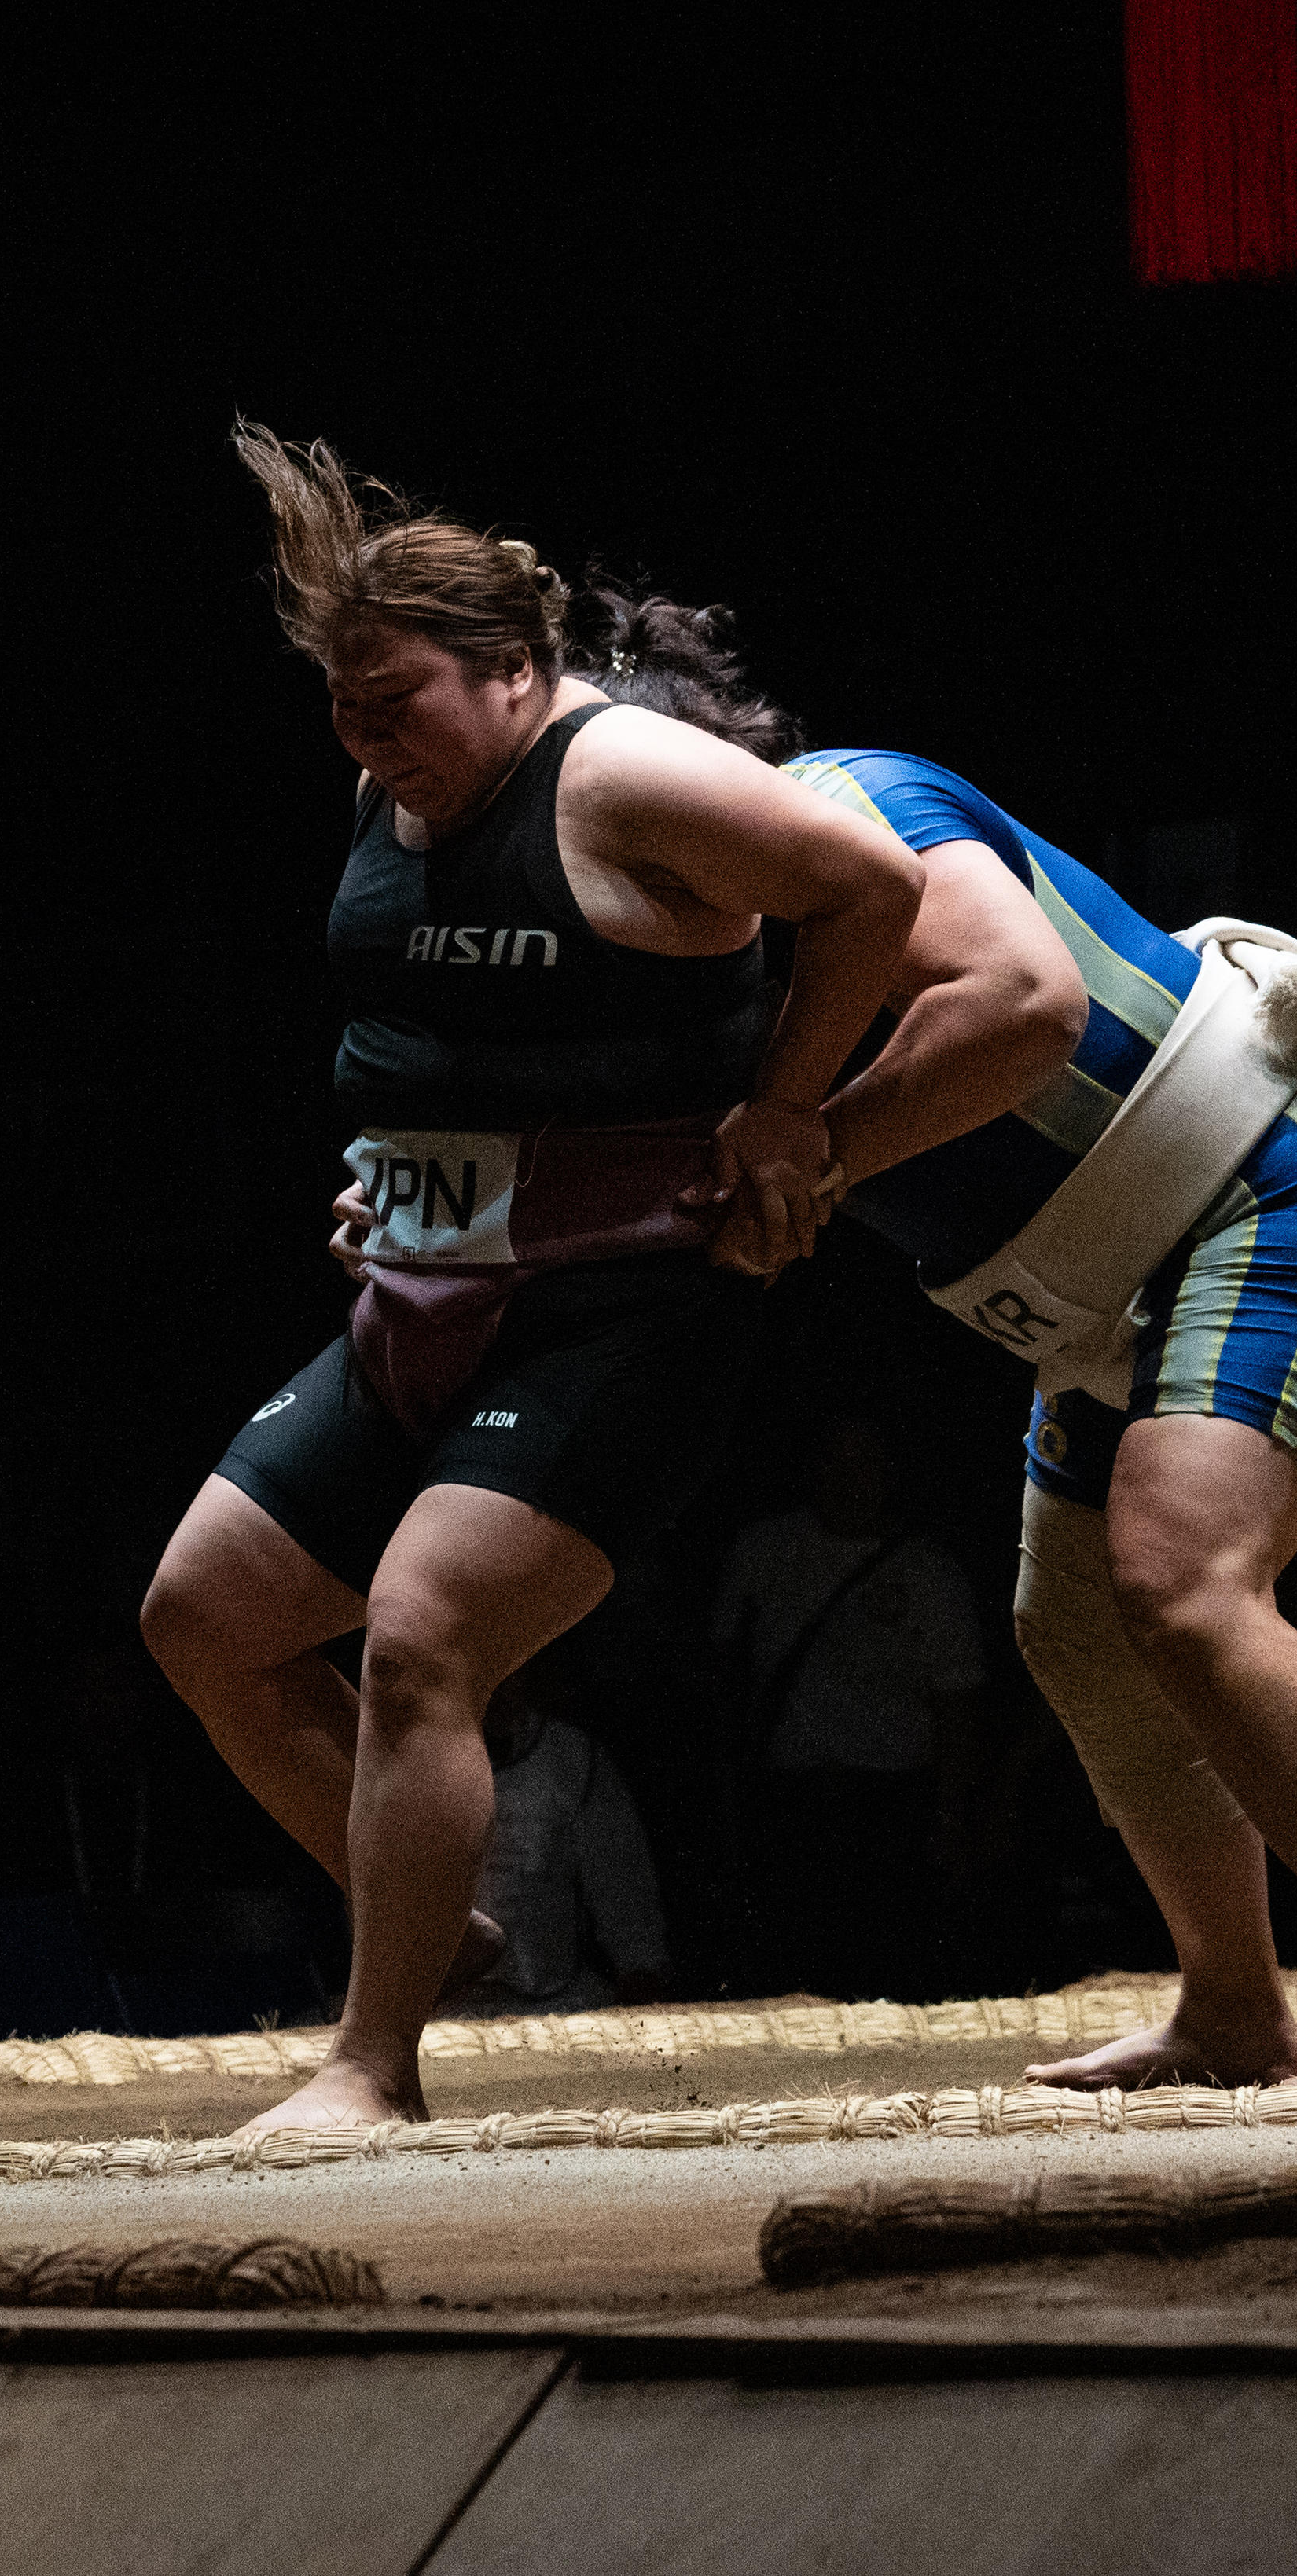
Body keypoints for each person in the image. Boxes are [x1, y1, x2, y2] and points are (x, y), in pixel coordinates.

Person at [483, 593, 1297, 2089]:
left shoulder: (851, 807)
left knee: (1183, 1576)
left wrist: (805, 1156)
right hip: (1090, 1293)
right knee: (1081, 1625)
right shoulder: (669, 988)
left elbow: (1021, 1003)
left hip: (1267, 1176)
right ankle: (1234, 2001)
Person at [136, 430, 922, 2134]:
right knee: (207, 1618)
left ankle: (372, 2061)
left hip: (624, 1296)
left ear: (515, 673)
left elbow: (871, 892)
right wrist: (396, 1181)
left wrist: (790, 1108)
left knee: (421, 1638)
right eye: (338, 699)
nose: (358, 730)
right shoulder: (390, 783)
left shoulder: (628, 779)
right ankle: (444, 1916)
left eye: (392, 694)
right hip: (421, 1279)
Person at [712, 1412, 992, 2000]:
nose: (847, 1477)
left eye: (862, 1462)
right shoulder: (764, 1547)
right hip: (787, 1798)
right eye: (833, 1459)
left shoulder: (926, 1570)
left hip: (890, 1802)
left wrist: (952, 1818)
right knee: (786, 1974)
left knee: (885, 1973)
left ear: (889, 1473)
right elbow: (725, 1675)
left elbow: (958, 1700)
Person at [451, 1657, 670, 2016]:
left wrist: (641, 1978)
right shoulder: (413, 1761)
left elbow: (624, 1890)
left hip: (554, 2005)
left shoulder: (569, 1757)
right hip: (438, 2013)